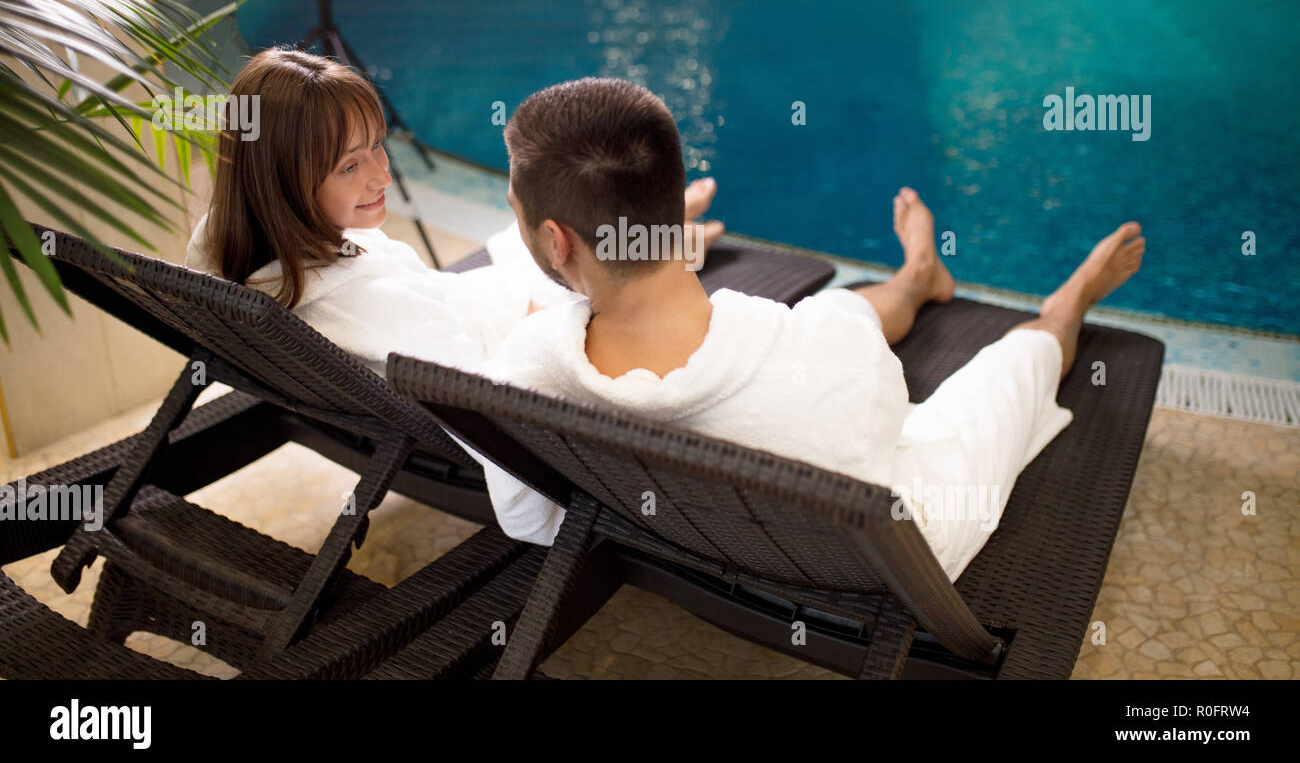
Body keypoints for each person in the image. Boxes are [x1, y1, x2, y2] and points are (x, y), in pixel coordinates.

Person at [481, 77, 1146, 581]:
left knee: (842, 316)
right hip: (889, 555)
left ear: (555, 240)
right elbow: (894, 429)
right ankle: (1068, 302)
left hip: (687, 534)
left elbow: (529, 520)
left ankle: (918, 277)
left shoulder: (525, 372)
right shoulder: (820, 358)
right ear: (669, 198)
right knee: (1010, 369)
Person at [185, 48, 723, 378]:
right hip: (510, 328)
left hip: (464, 302)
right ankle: (666, 230)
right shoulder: (369, 309)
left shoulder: (232, 247)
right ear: (281, 184)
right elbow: (491, 398)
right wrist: (558, 323)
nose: (382, 175)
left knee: (556, 225)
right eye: (350, 167)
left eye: (378, 145)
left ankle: (669, 221)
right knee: (610, 255)